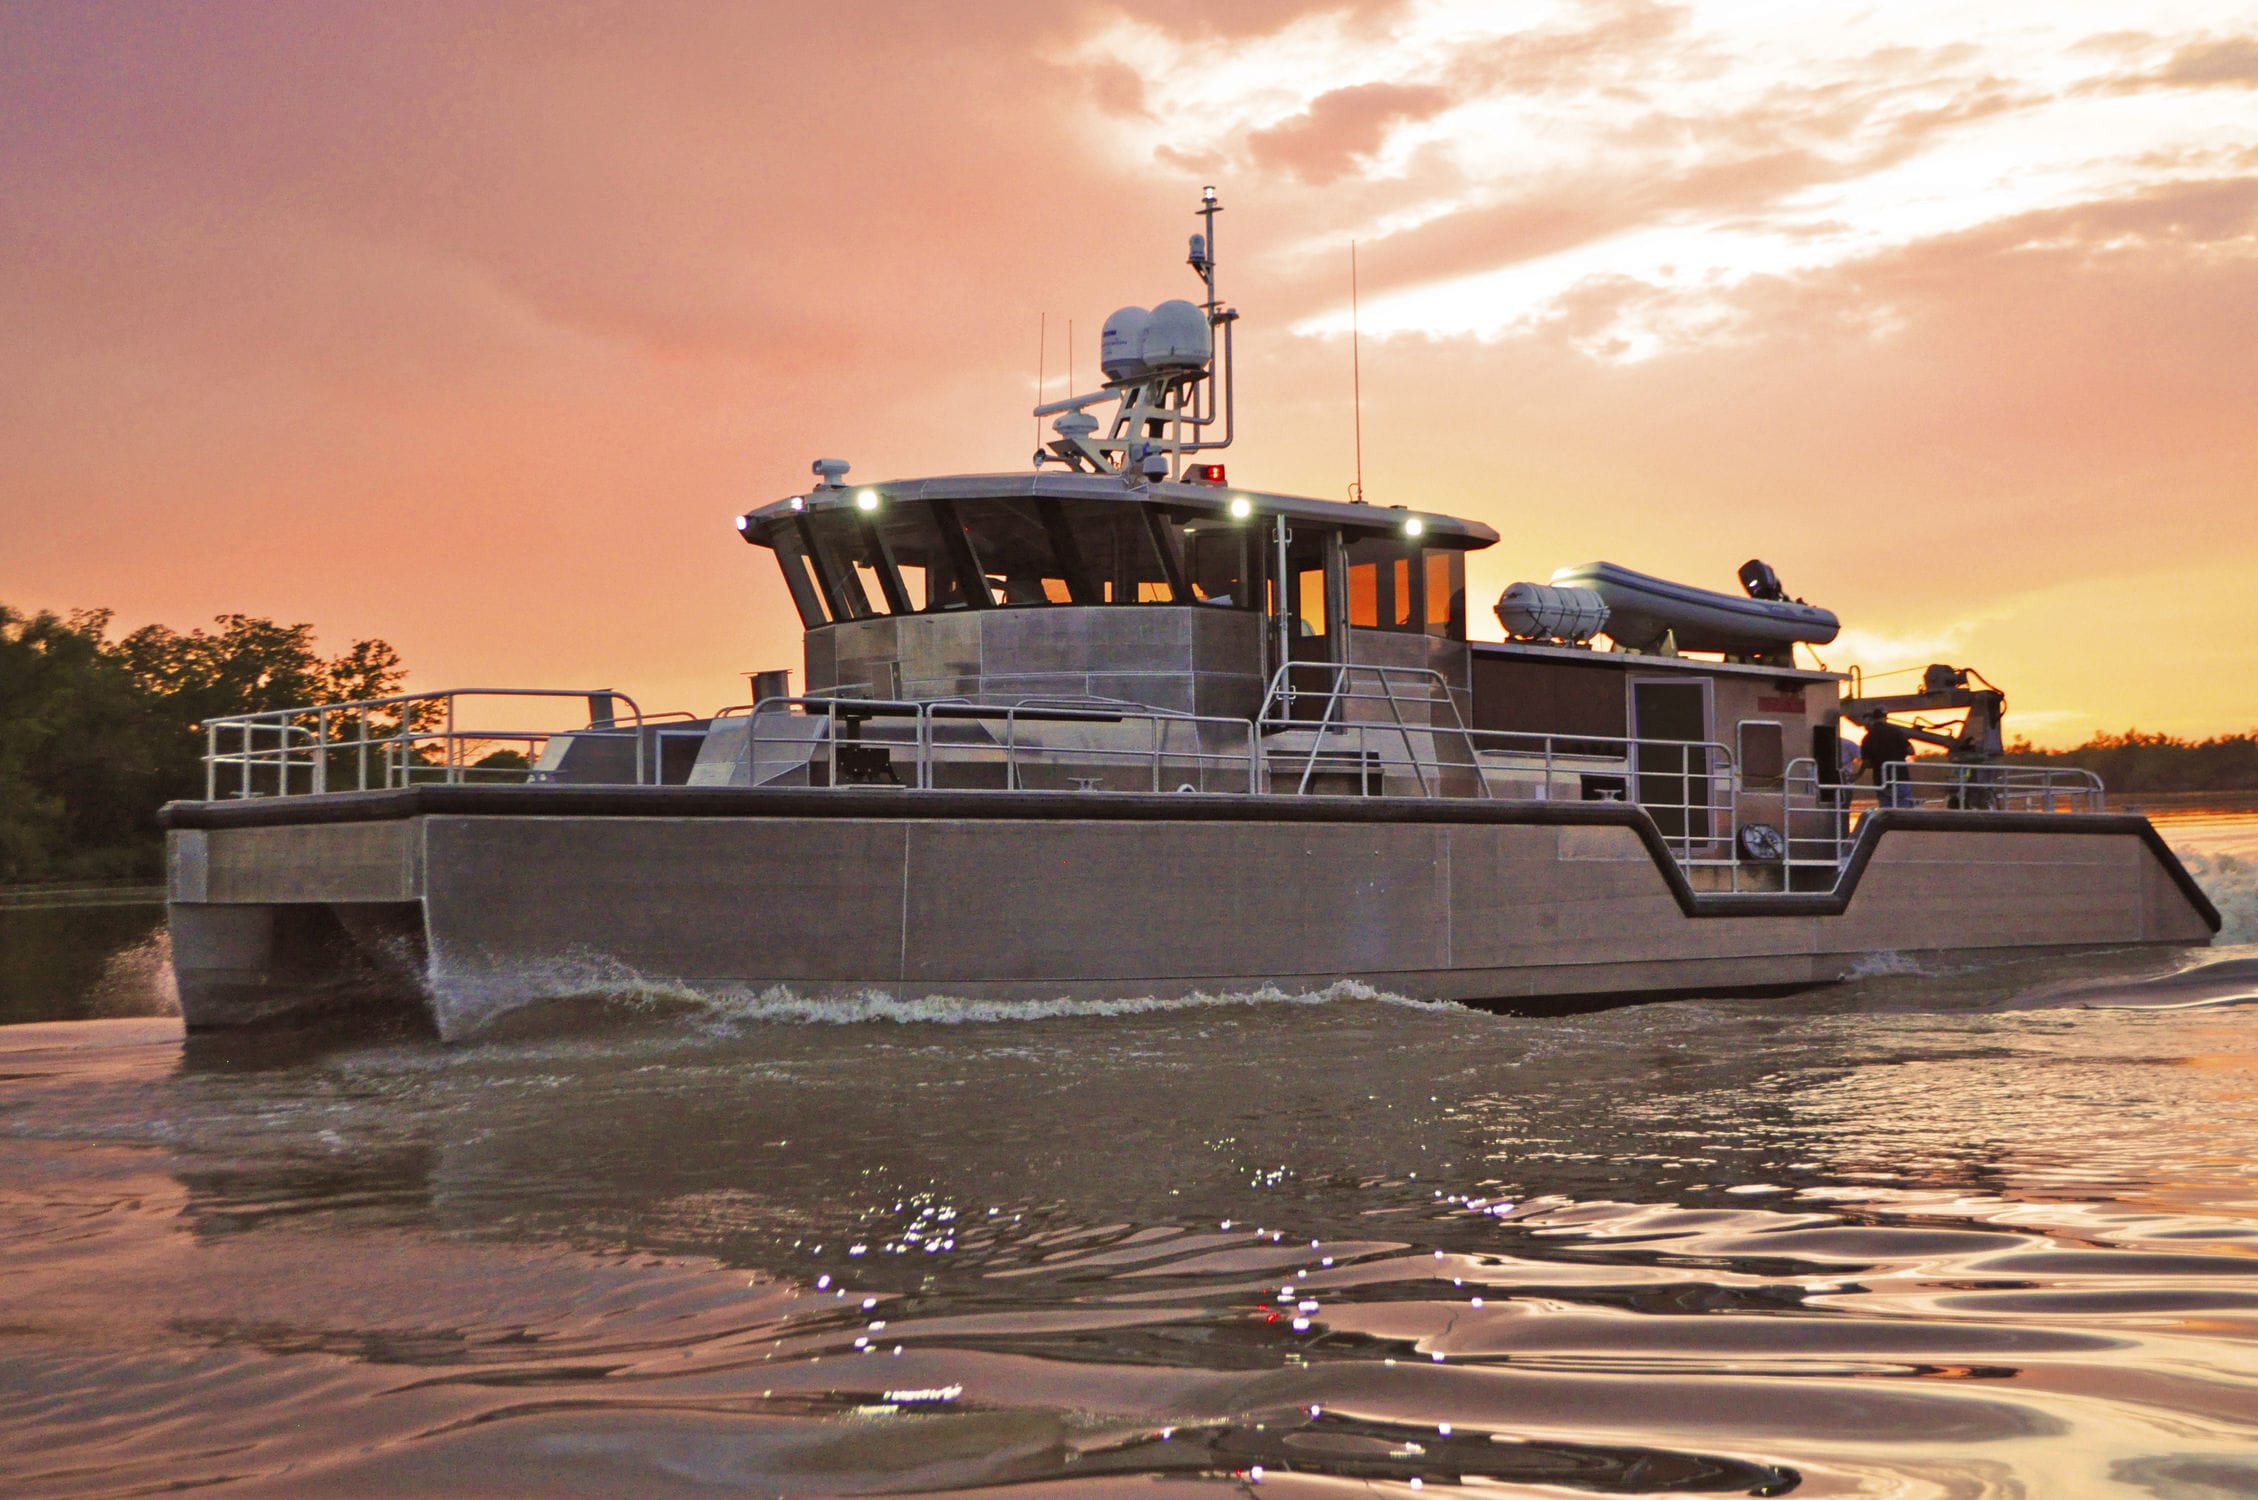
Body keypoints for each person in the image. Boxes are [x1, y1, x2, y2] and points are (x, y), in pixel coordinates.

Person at [1856, 711, 1915, 808]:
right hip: (1900, 777)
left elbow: (1867, 764)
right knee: (1904, 810)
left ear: (1873, 720)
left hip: (1881, 780)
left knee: (1886, 811)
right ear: (1885, 718)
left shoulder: (1867, 738)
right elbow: (1911, 751)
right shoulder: (1896, 731)